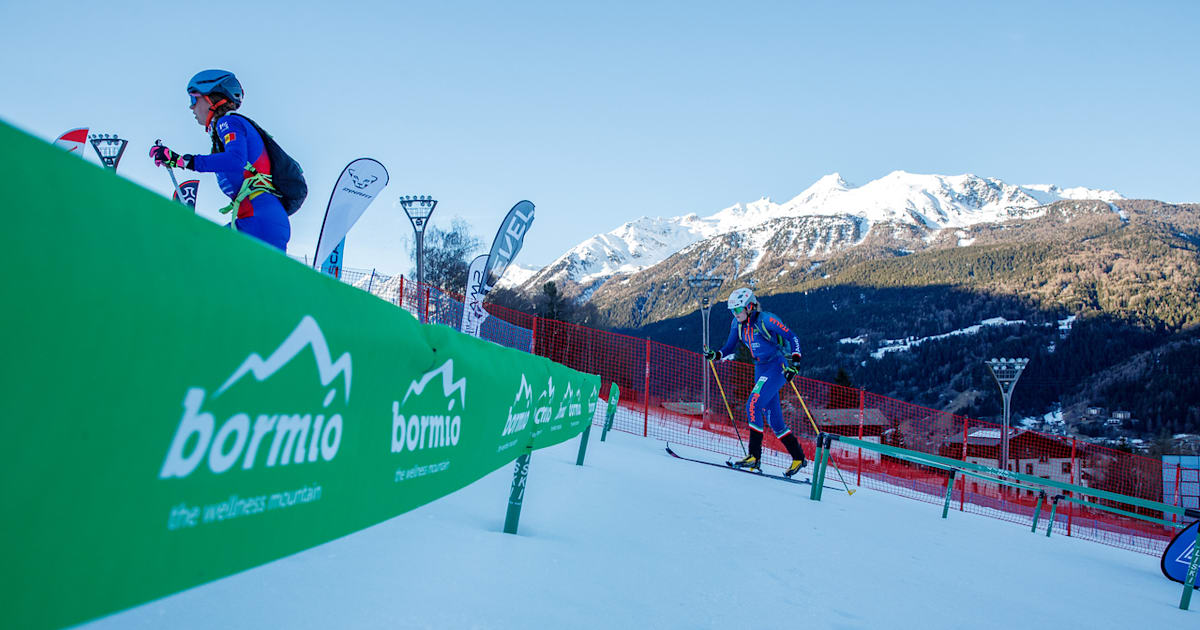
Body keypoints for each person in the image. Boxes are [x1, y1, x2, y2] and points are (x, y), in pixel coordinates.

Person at [149, 69, 291, 251]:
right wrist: (178, 160)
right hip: (259, 220)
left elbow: (235, 160)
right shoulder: (226, 127)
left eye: (194, 99)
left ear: (211, 100)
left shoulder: (228, 122)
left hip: (259, 222)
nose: (191, 107)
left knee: (198, 255)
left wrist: (183, 161)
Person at [704, 288, 808, 476]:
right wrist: (716, 355)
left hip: (776, 366)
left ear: (749, 306)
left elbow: (792, 337)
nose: (735, 314)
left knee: (752, 404)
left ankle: (754, 456)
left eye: (737, 310)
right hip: (760, 368)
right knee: (775, 421)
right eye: (732, 311)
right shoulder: (737, 324)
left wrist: (796, 362)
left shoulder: (766, 320)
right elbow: (729, 347)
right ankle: (799, 458)